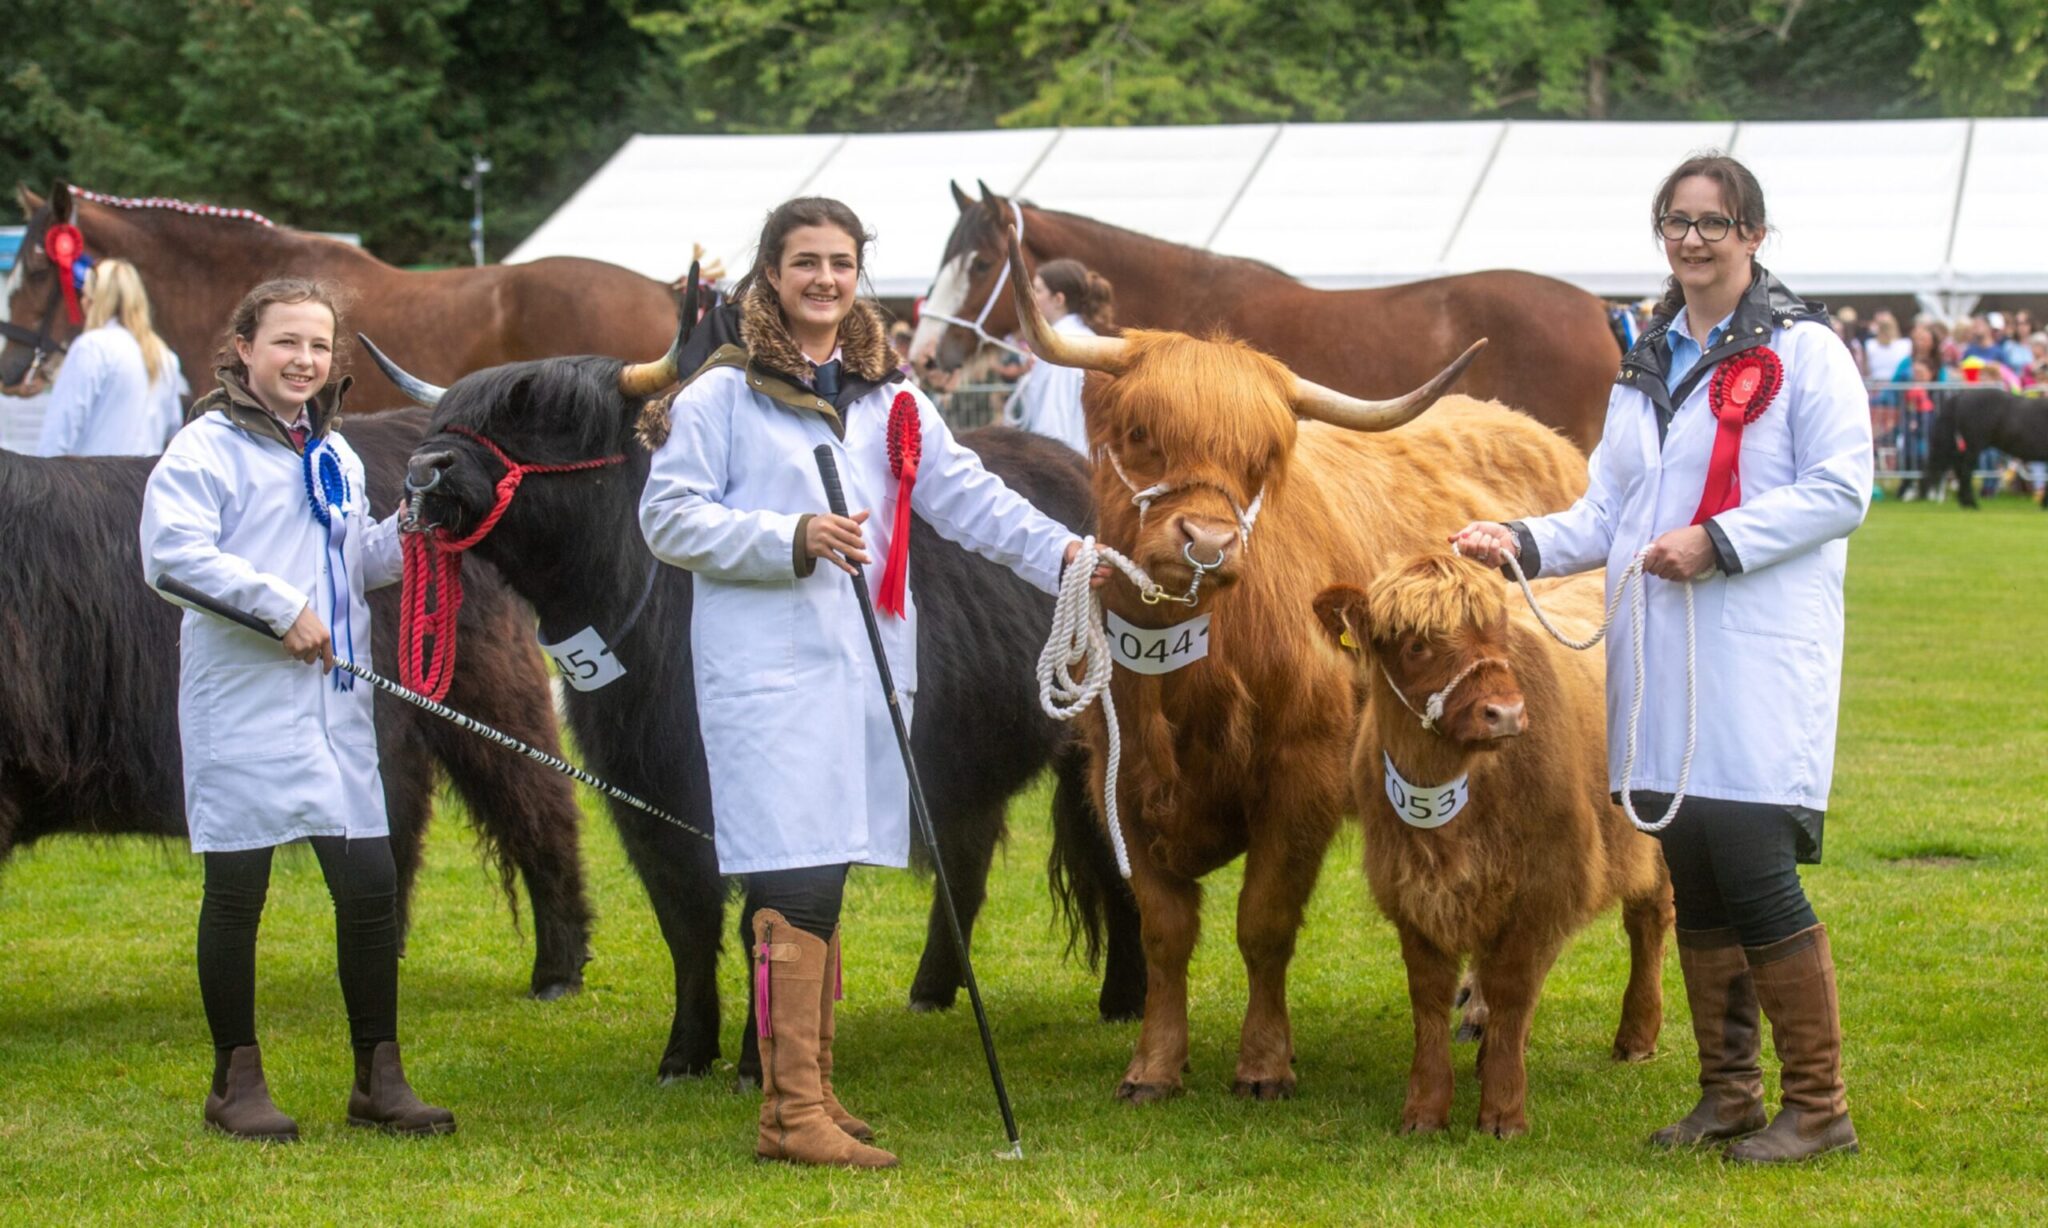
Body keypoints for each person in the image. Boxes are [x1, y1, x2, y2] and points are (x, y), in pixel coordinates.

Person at [640, 197, 1097, 1170]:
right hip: (766, 680)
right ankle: (789, 1112)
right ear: (770, 274)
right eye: (804, 261)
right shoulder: (720, 398)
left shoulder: (889, 398)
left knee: (819, 874)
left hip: (869, 675)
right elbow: (667, 519)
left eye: (840, 262)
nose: (824, 279)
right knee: (793, 876)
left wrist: (1070, 555)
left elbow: (967, 499)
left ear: (859, 275)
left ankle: (804, 1094)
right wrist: (787, 539)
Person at [1453, 152, 1870, 1164]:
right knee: (1691, 867)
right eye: (1674, 222)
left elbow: (1842, 488)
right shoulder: (1646, 358)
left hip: (1751, 651)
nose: (1690, 239)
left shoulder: (1805, 352)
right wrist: (1519, 542)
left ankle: (1816, 1108)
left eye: (1711, 223)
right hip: (1657, 656)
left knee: (1754, 870)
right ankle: (1726, 1096)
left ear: (1751, 237)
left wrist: (1717, 539)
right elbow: (1611, 509)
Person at [140, 278, 454, 1143]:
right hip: (242, 706)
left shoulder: (336, 455)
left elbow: (356, 563)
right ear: (243, 347)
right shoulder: (202, 451)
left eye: (318, 347)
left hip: (336, 707)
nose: (304, 360)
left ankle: (378, 1079)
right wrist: (280, 608)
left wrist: (415, 526)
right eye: (286, 343)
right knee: (237, 894)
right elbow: (170, 557)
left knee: (369, 890)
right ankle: (233, 1082)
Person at [35, 258, 187, 456]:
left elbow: (58, 433)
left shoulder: (92, 347)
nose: (82, 302)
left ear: (94, 302)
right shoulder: (165, 357)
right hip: (146, 481)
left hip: (94, 482)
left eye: (85, 296)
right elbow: (172, 428)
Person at [1002, 258, 1114, 455]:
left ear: (1058, 300)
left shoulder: (1061, 349)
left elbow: (1053, 428)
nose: (1032, 297)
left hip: (1066, 466)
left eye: (1037, 290)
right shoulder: (1086, 338)